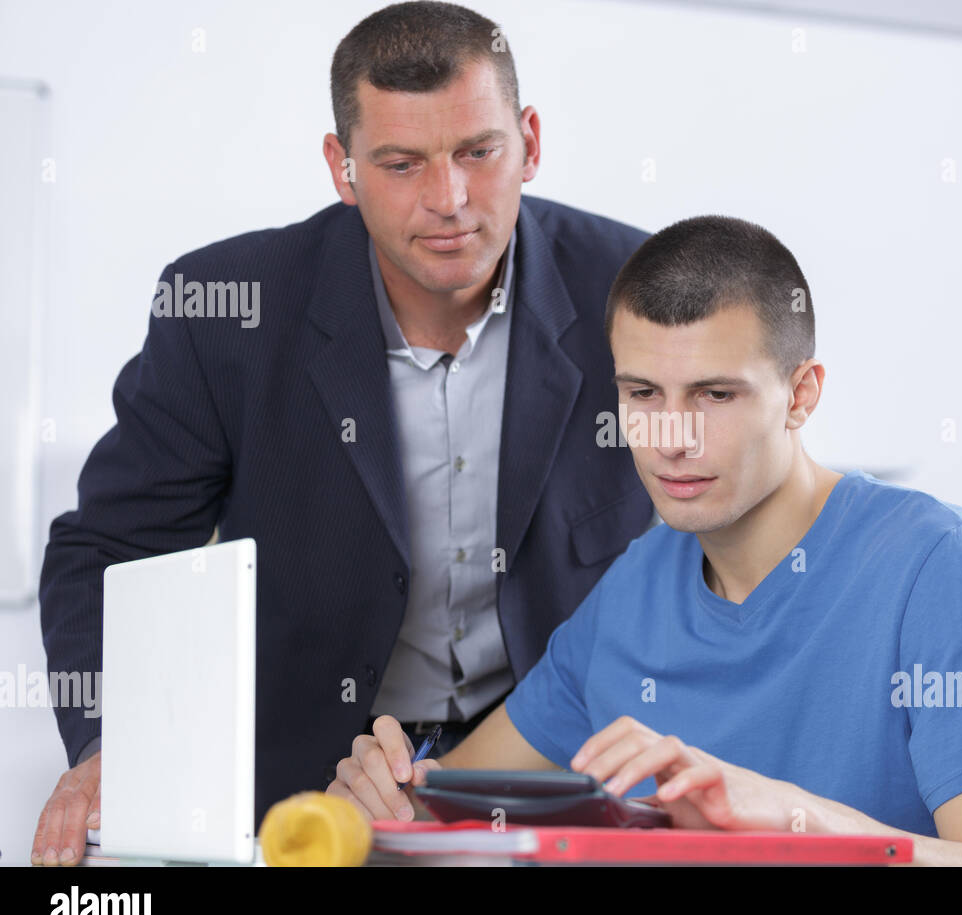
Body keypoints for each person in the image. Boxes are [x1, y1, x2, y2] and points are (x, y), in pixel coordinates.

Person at [31, 1, 654, 866]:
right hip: (303, 792)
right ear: (342, 166)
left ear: (531, 142)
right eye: (401, 164)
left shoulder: (642, 293)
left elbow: (727, 545)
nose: (450, 201)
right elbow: (105, 548)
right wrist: (112, 743)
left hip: (569, 780)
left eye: (480, 151)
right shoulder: (226, 309)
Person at [331, 214, 962, 865]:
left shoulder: (935, 564)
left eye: (715, 395)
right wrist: (386, 797)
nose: (671, 440)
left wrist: (791, 818)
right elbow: (453, 803)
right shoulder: (634, 585)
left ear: (801, 394)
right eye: (642, 394)